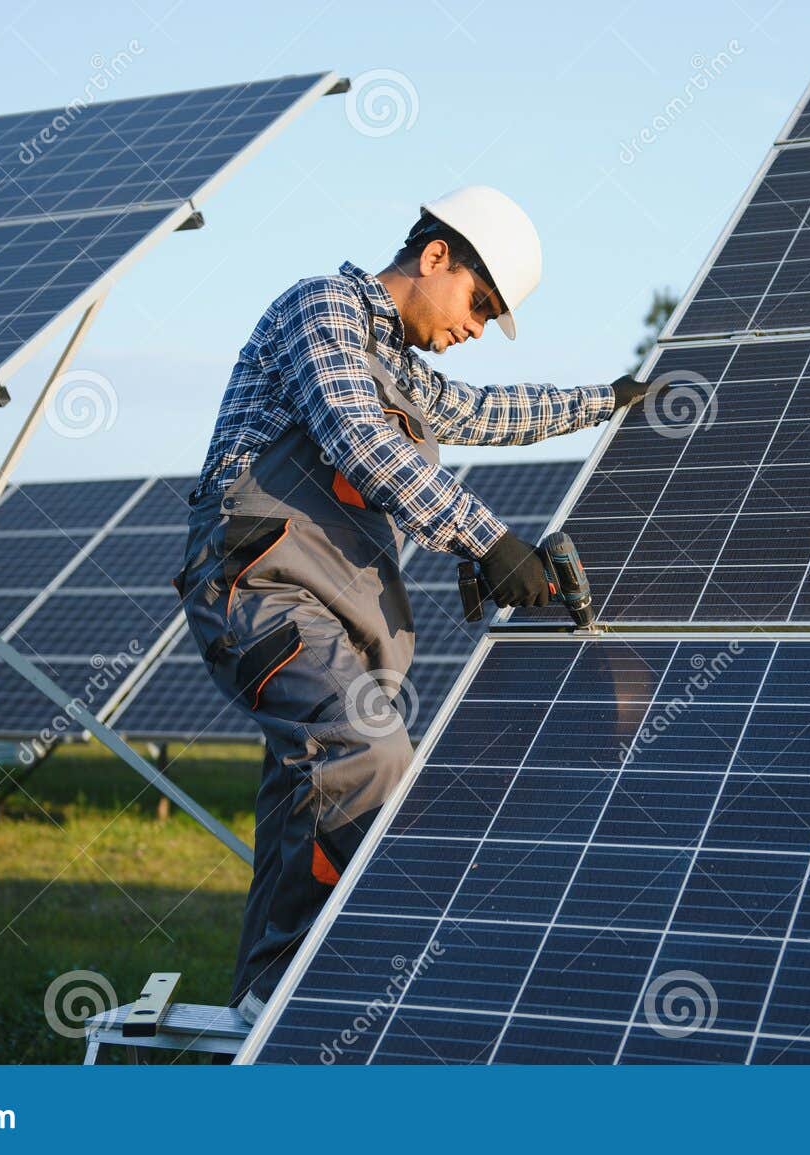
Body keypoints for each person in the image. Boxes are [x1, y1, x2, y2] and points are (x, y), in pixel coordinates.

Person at [174, 186, 657, 1022]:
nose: (477, 327)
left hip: (341, 611)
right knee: (368, 757)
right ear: (435, 255)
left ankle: (265, 988)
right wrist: (491, 541)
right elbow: (359, 439)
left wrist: (604, 400)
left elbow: (489, 411)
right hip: (261, 581)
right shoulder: (319, 307)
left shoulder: (405, 373)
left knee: (307, 795)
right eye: (480, 302)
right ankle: (305, 992)